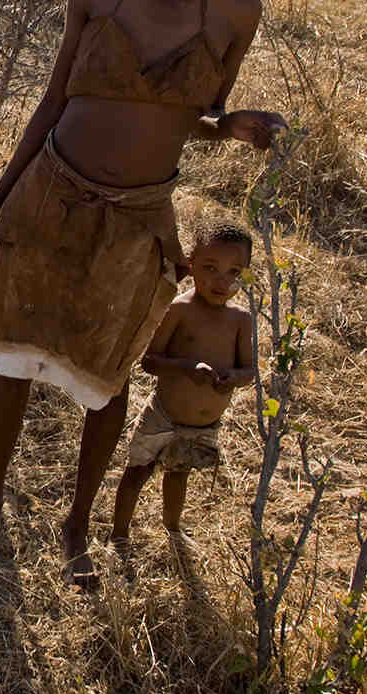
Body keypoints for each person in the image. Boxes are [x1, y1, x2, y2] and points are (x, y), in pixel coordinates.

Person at [0, 0, 285, 587]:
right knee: (16, 361)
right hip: (50, 197)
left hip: (138, 218)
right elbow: (53, 101)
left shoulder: (235, 9)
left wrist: (229, 127)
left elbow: (195, 112)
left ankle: (76, 525)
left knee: (109, 378)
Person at [108, 220, 256, 552]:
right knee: (137, 472)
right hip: (163, 417)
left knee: (178, 475)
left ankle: (173, 528)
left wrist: (233, 379)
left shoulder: (241, 320)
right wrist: (187, 369)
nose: (221, 281)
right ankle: (119, 534)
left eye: (233, 272)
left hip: (202, 426)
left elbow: (249, 370)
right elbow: (150, 361)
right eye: (210, 268)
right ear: (191, 263)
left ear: (245, 275)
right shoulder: (179, 309)